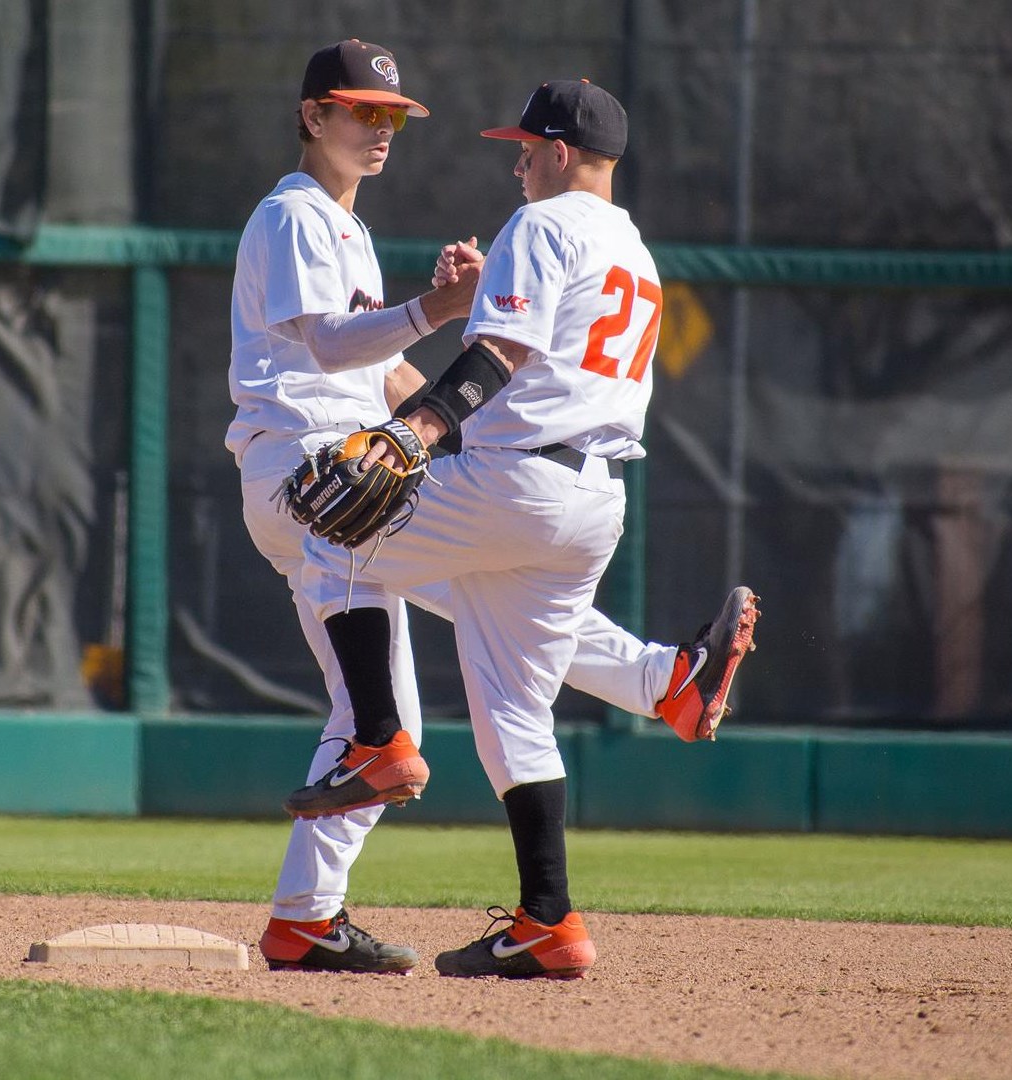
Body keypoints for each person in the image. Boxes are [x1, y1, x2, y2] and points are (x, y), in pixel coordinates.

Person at [229, 44, 758, 975]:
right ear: (313, 116)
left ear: (555, 150)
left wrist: (422, 418)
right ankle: (653, 695)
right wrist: (433, 329)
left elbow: (414, 369)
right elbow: (331, 350)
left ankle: (317, 897)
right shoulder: (299, 216)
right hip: (541, 488)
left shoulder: (522, 226)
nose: (383, 128)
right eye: (364, 111)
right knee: (478, 663)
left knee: (369, 579)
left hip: (433, 474)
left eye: (391, 115)